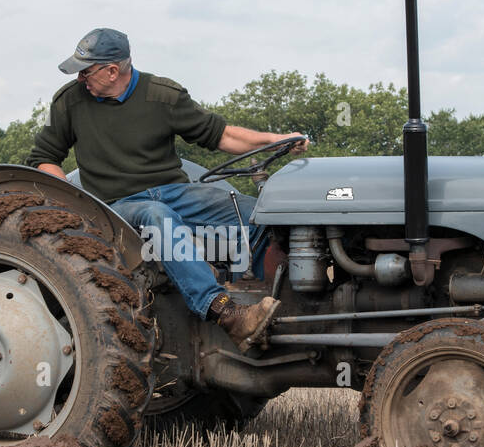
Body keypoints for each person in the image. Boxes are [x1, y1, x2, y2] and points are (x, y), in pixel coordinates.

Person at [26, 27, 308, 350]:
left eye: (85, 71)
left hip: (173, 192)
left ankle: (281, 306)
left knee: (253, 213)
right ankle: (226, 314)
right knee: (157, 216)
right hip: (116, 206)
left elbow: (221, 135)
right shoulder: (70, 102)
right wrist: (76, 207)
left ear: (112, 70)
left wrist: (276, 140)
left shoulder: (163, 95)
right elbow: (44, 158)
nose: (80, 79)